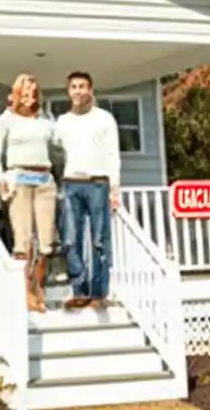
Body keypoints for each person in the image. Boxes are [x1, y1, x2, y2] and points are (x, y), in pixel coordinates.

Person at [0, 73, 58, 312]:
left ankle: (38, 286)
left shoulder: (46, 118)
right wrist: (1, 178)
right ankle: (25, 293)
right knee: (23, 242)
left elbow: (59, 143)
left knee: (47, 243)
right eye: (26, 93)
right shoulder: (7, 119)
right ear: (17, 94)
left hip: (44, 180)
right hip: (19, 179)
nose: (31, 97)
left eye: (34, 93)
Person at [54, 71, 120, 310]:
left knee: (99, 241)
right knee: (71, 240)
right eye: (74, 87)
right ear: (68, 91)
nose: (78, 91)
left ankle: (99, 293)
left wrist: (114, 188)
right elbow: (55, 154)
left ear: (91, 90)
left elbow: (113, 154)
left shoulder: (104, 119)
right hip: (71, 184)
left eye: (83, 86)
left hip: (98, 183)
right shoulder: (62, 122)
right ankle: (79, 290)